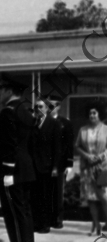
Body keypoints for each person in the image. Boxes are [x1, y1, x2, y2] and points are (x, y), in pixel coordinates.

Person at [0, 77, 36, 242]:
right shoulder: (26, 110)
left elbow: (9, 144)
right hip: (26, 170)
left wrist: (9, 171)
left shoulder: (8, 113)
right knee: (24, 213)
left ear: (10, 91)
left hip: (12, 171)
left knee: (14, 215)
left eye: (1, 90)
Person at [74, 102, 107, 236]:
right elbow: (77, 146)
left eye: (94, 113)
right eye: (90, 113)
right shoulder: (83, 130)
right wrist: (87, 156)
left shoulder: (106, 129)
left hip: (103, 168)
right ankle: (96, 225)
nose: (92, 115)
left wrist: (101, 156)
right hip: (87, 168)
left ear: (99, 114)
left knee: (104, 197)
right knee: (91, 198)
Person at [30, 99, 61, 234]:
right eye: (36, 106)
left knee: (46, 196)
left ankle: (45, 224)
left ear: (47, 108)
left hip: (47, 166)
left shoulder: (54, 124)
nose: (38, 108)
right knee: (35, 196)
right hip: (33, 166)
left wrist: (55, 167)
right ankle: (36, 223)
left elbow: (58, 147)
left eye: (41, 106)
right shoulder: (33, 123)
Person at [49, 97, 74, 229]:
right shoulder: (42, 121)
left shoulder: (65, 123)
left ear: (58, 107)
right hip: (45, 163)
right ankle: (47, 218)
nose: (50, 108)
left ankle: (58, 219)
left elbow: (69, 145)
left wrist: (69, 164)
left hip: (60, 163)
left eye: (53, 105)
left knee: (57, 192)